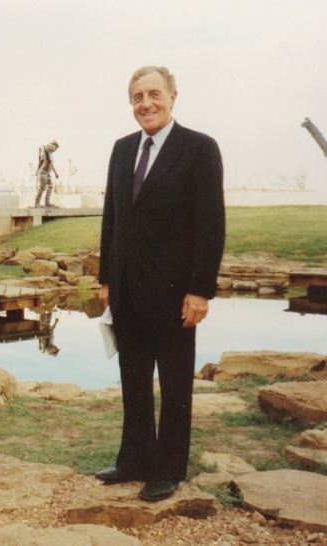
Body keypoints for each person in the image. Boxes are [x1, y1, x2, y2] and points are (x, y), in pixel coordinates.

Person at [97, 66, 225, 502]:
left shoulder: (199, 149)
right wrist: (105, 280)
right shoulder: (121, 149)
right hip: (127, 289)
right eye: (137, 96)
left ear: (173, 96)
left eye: (154, 94)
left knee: (174, 386)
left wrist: (201, 290)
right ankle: (133, 459)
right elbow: (112, 217)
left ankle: (167, 469)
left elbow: (210, 225)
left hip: (175, 295)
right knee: (132, 379)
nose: (145, 103)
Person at [34, 140, 60, 207]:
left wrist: (55, 173)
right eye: (54, 146)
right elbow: (41, 159)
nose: (55, 149)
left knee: (50, 186)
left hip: (47, 172)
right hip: (43, 171)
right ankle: (37, 203)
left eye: (56, 147)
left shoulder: (50, 154)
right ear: (51, 145)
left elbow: (51, 164)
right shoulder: (45, 150)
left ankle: (47, 202)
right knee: (42, 187)